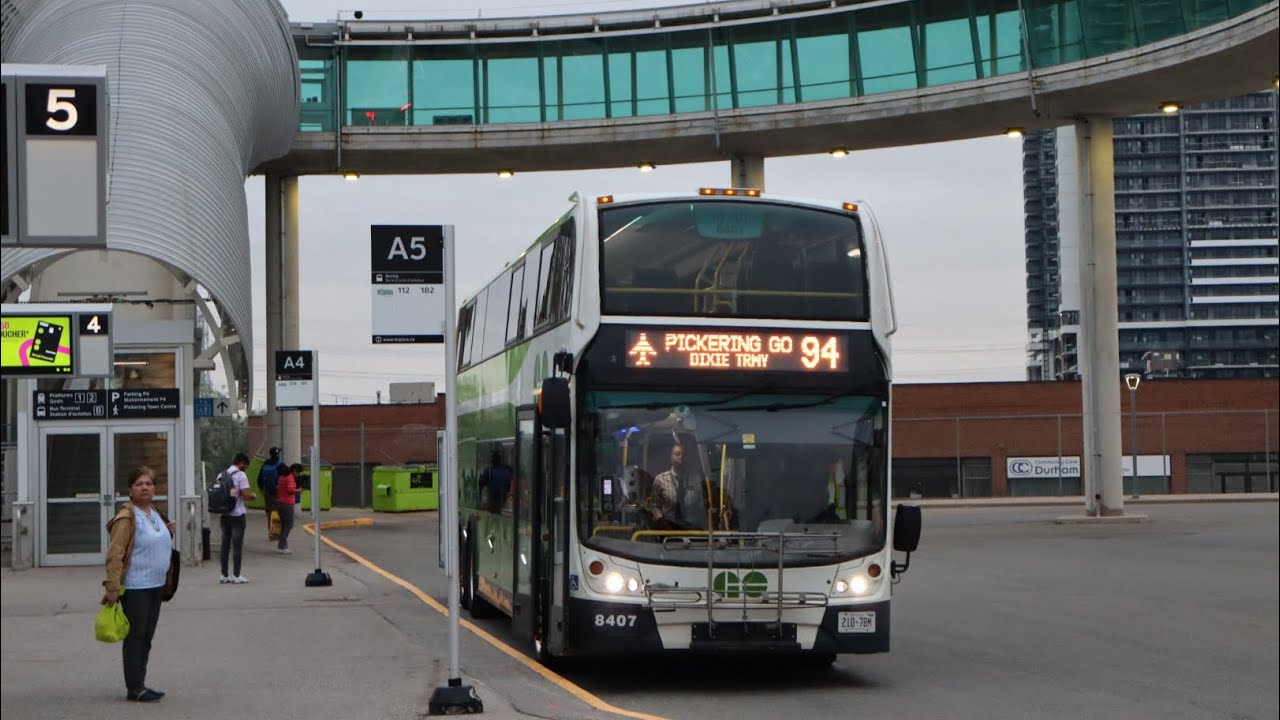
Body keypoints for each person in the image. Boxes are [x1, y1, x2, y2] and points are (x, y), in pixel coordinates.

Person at [102, 466, 175, 703]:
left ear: (154, 489)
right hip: (135, 587)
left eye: (149, 484)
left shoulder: (154, 513)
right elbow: (115, 554)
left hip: (156, 584)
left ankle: (140, 683)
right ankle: (134, 688)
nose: (145, 487)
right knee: (136, 637)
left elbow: (153, 544)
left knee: (147, 636)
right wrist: (112, 587)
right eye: (139, 484)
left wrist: (168, 532)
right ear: (130, 490)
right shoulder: (126, 517)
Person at [650, 444, 706, 530]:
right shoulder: (660, 479)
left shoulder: (696, 478)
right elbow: (654, 505)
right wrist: (661, 520)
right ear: (671, 457)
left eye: (683, 455)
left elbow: (701, 504)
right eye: (677, 454)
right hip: (668, 527)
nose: (680, 457)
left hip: (691, 528)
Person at [219, 452, 255, 584]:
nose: (245, 467)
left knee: (225, 545)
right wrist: (253, 497)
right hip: (237, 514)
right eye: (245, 465)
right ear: (241, 462)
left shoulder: (221, 474)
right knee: (237, 545)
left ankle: (224, 575)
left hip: (224, 514)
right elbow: (246, 495)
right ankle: (236, 575)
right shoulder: (241, 475)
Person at [257, 446, 284, 539]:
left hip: (267, 491)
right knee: (277, 511)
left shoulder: (266, 463)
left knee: (269, 512)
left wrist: (262, 488)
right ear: (277, 454)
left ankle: (271, 532)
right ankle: (276, 533)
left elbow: (259, 478)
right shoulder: (280, 464)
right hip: (277, 492)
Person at [275, 463, 299, 554]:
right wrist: (298, 490)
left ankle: (282, 545)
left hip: (280, 503)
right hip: (287, 504)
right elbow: (290, 489)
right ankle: (282, 546)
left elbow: (278, 488)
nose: (298, 474)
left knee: (284, 525)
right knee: (288, 525)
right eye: (298, 472)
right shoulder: (290, 477)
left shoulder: (281, 477)